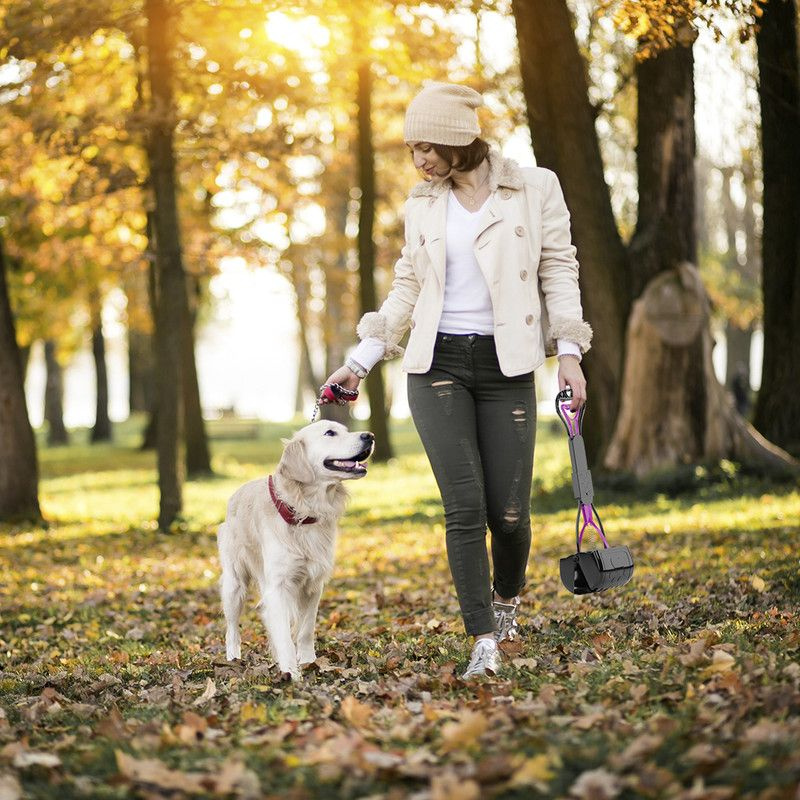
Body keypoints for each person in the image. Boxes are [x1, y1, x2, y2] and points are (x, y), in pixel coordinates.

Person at [323, 82, 592, 679]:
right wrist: (360, 360)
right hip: (437, 365)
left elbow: (558, 265)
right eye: (412, 147)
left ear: (457, 138)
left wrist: (569, 351)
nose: (419, 159)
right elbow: (407, 286)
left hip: (507, 366)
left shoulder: (533, 187)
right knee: (464, 507)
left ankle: (508, 599)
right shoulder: (424, 201)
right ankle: (483, 639)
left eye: (428, 145)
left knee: (511, 514)